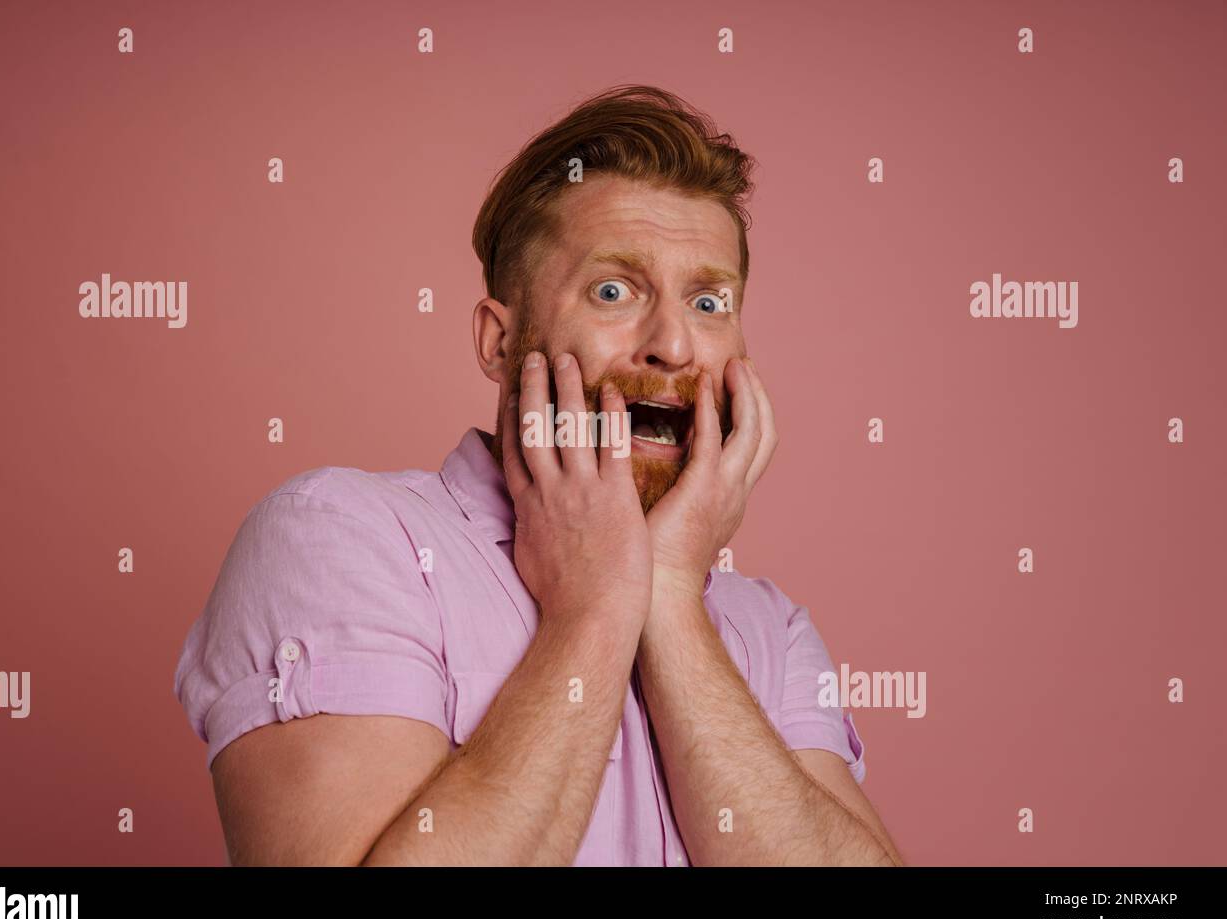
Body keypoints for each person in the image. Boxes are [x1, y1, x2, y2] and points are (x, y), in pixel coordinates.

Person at [174, 84, 903, 866]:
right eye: (613, 290)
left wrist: (663, 592)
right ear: (498, 340)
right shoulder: (338, 537)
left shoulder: (773, 632)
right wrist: (592, 610)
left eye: (708, 301)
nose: (674, 345)